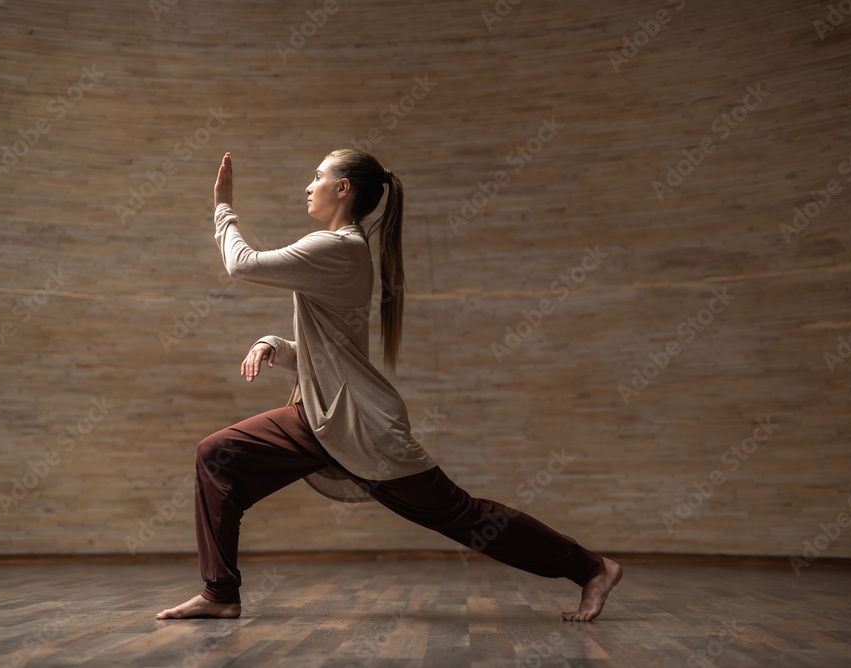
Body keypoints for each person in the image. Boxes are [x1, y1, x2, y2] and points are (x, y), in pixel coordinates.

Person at [156, 150, 622, 622]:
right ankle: (220, 593)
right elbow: (335, 350)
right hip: (318, 415)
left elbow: (242, 264)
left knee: (462, 515)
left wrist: (223, 207)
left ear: (343, 189)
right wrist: (275, 344)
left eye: (318, 176)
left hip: (358, 426)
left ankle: (592, 569)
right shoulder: (342, 250)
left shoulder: (336, 248)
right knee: (217, 455)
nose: (308, 185)